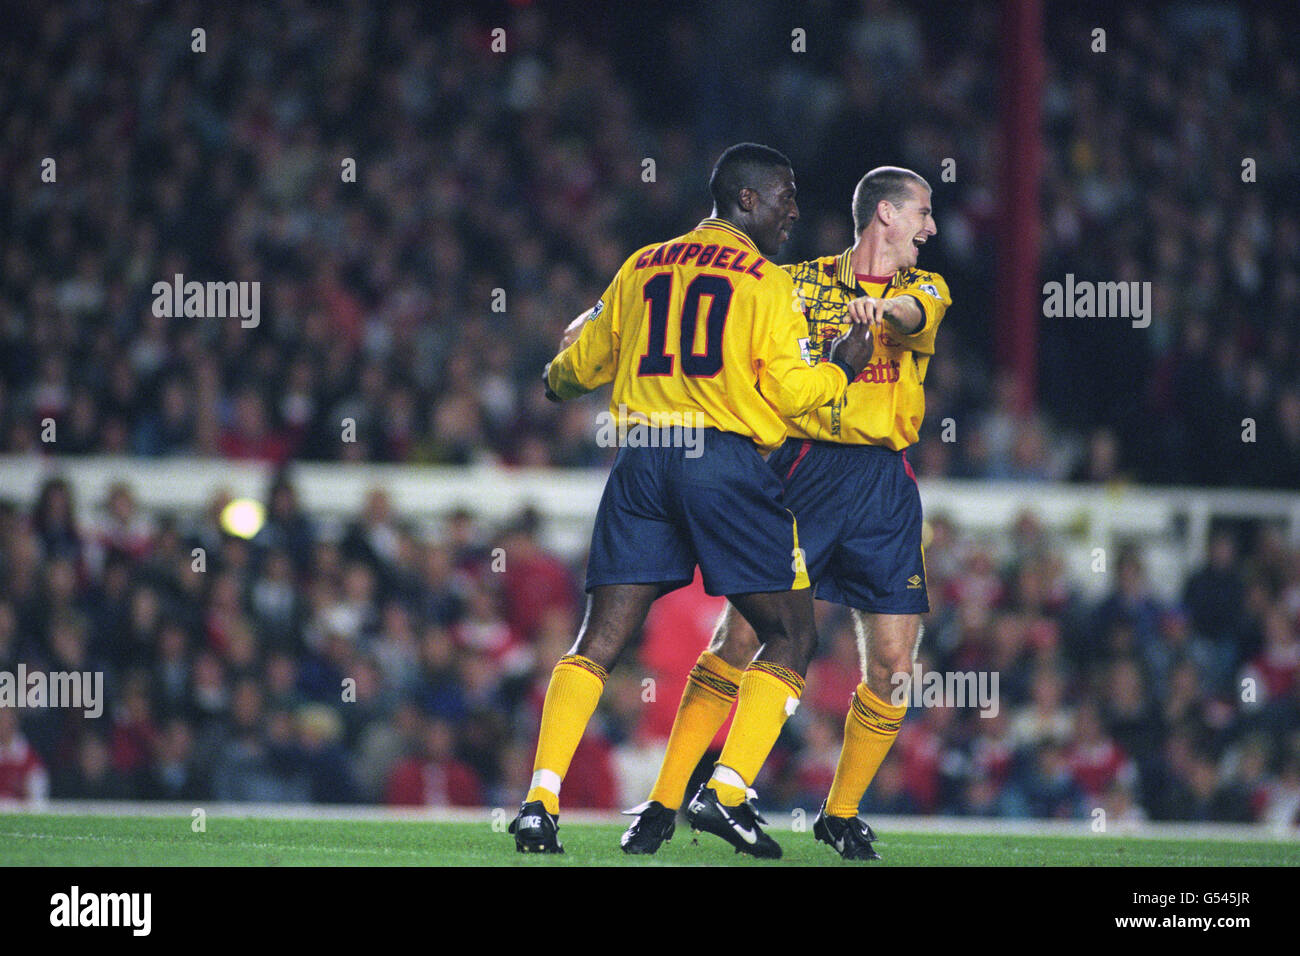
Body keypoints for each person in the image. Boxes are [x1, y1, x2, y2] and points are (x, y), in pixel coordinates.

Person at [510, 143, 874, 856]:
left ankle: (538, 801)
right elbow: (796, 396)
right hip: (723, 463)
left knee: (600, 639)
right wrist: (841, 370)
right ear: (746, 200)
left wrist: (553, 379)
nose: (794, 210)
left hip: (643, 461)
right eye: (785, 196)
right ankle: (728, 789)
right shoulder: (765, 284)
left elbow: (577, 367)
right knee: (793, 635)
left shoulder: (641, 265)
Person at [621, 166, 951, 860]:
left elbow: (915, 317)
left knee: (894, 663)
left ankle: (840, 812)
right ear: (885, 214)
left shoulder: (925, 287)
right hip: (802, 467)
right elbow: (700, 304)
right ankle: (665, 799)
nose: (931, 227)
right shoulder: (792, 283)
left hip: (884, 483)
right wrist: (600, 319)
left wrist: (879, 312)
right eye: (922, 213)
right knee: (743, 639)